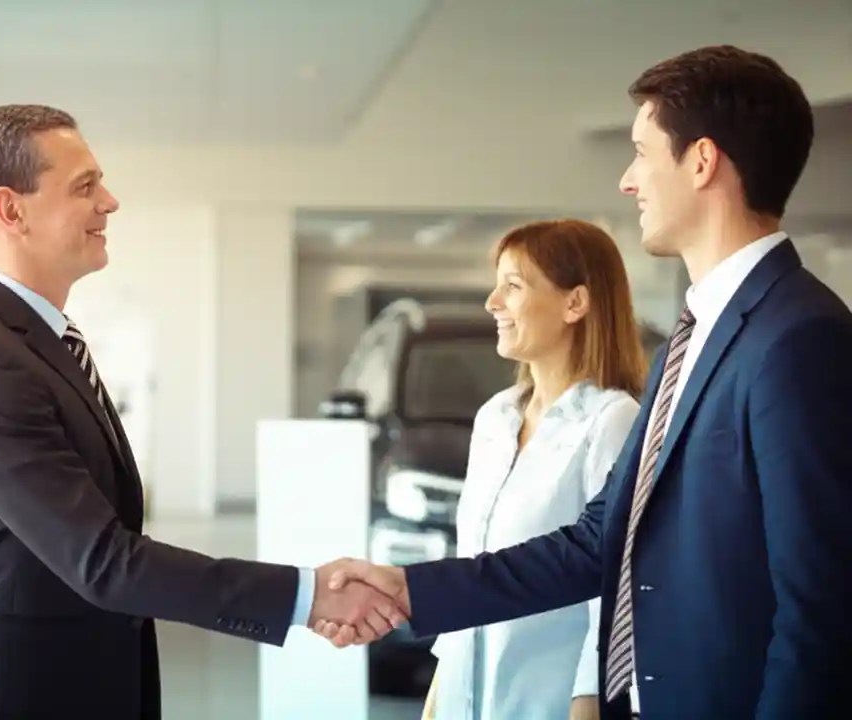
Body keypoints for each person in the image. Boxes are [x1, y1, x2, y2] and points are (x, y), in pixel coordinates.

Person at [316, 45, 852, 719]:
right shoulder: (689, 342)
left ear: (703, 161)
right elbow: (598, 541)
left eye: (641, 152)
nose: (628, 181)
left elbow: (822, 607)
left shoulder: (798, 337)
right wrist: (407, 588)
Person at [0, 104, 405, 720]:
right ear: (11, 209)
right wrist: (307, 594)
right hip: (6, 692)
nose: (109, 202)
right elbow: (103, 560)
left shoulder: (33, 343)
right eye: (84, 186)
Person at [421, 219, 646, 720]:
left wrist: (588, 704)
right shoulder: (495, 417)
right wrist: (436, 703)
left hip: (546, 705)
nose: (492, 302)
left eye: (513, 286)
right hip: (465, 700)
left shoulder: (611, 421)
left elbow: (611, 590)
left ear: (575, 303)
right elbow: (470, 573)